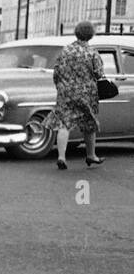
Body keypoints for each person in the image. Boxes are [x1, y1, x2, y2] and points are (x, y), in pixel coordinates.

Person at [46, 20, 105, 170]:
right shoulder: (92, 53)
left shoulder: (65, 50)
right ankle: (91, 155)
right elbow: (99, 74)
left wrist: (60, 87)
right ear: (91, 35)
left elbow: (57, 71)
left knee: (64, 124)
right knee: (89, 125)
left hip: (66, 92)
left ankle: (61, 157)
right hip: (86, 94)